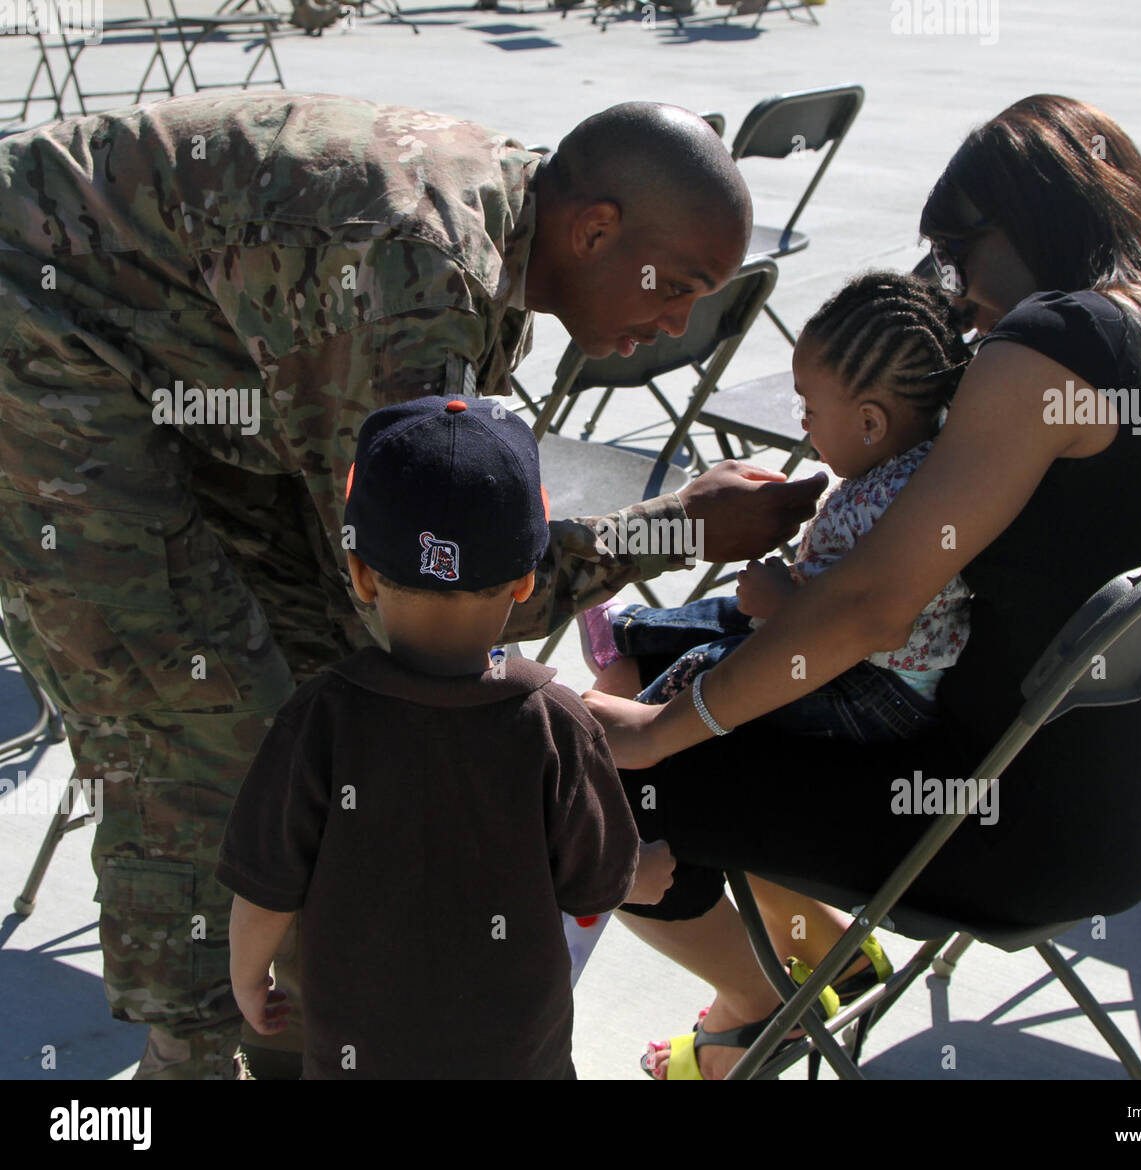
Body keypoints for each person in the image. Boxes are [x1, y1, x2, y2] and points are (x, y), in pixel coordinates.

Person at [0, 92, 825, 1078]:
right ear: (595, 230)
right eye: (678, 285)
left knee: (336, 697)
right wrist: (672, 527)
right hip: (39, 343)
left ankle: (308, 1030)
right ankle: (200, 1053)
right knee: (208, 722)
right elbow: (440, 581)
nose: (678, 320)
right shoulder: (417, 272)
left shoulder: (493, 232)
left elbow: (396, 595)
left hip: (168, 361)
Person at [582, 93, 1141, 1080]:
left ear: (1018, 224)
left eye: (953, 254)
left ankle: (760, 1006)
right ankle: (818, 952)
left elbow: (869, 608)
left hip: (979, 823)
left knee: (593, 779)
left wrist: (654, 735)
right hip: (1091, 811)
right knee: (666, 655)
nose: (955, 292)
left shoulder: (1050, 346)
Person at [218, 395, 674, 1078]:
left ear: (362, 573)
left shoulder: (319, 718)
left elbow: (265, 888)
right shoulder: (554, 722)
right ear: (525, 580)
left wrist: (248, 977)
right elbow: (595, 883)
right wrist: (648, 870)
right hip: (517, 1060)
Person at [583, 271, 971, 748]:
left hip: (875, 692)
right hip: (861, 670)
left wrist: (783, 603)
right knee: (726, 611)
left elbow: (861, 625)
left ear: (870, 420)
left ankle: (633, 726)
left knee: (712, 660)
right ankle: (624, 632)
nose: (803, 422)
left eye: (810, 408)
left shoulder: (901, 505)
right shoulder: (926, 468)